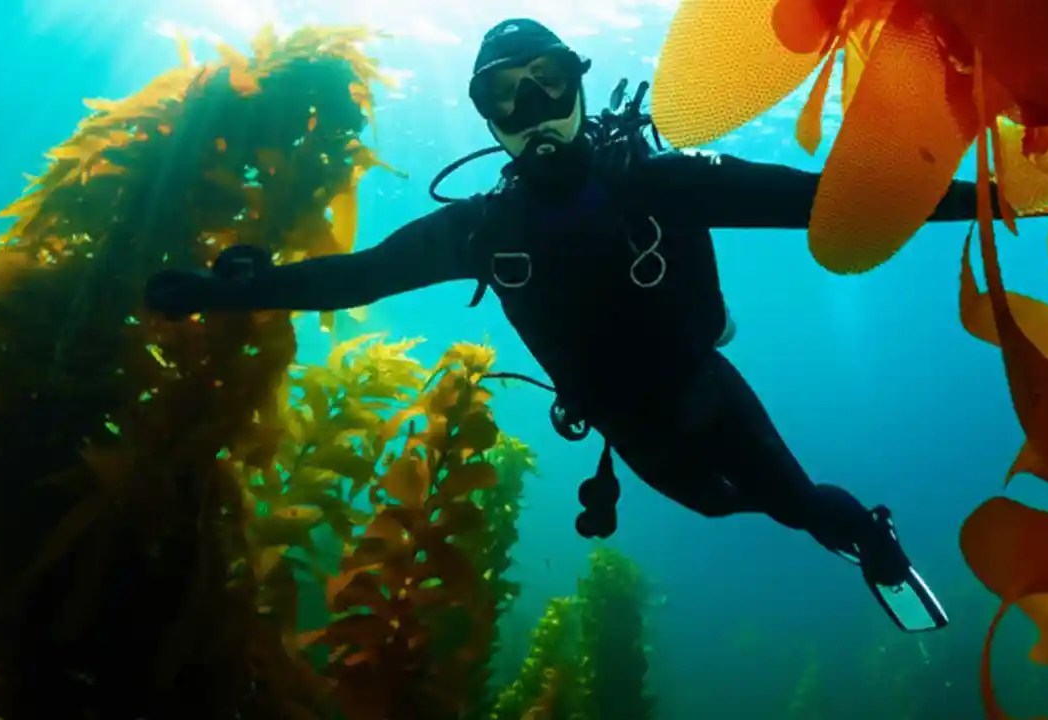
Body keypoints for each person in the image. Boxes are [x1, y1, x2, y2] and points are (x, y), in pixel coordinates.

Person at [146, 18, 975, 632]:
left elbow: (818, 199)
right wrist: (233, 293)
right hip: (632, 433)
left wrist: (984, 201)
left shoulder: (659, 183)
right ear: (486, 117)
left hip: (706, 394)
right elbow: (361, 275)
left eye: (546, 79)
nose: (532, 106)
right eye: (505, 94)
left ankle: (868, 535)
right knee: (726, 509)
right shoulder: (482, 229)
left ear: (577, 83)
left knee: (790, 501)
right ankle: (840, 526)